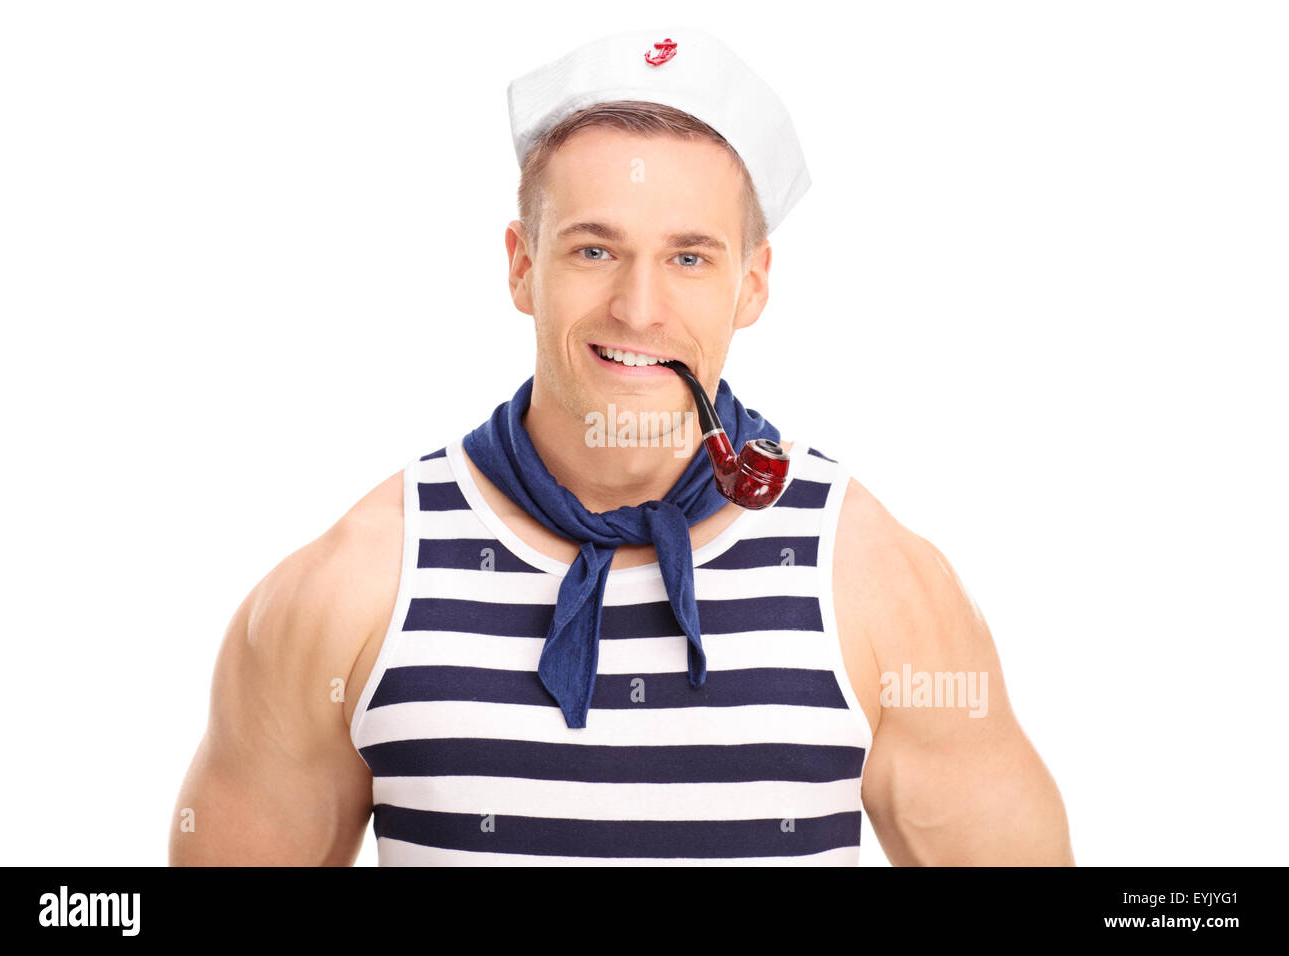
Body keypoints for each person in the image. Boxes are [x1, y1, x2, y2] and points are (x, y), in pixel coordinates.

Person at [169, 27, 1074, 866]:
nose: (639, 310)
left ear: (752, 285)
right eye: (595, 251)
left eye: (689, 257)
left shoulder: (873, 583)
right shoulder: (351, 588)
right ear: (522, 266)